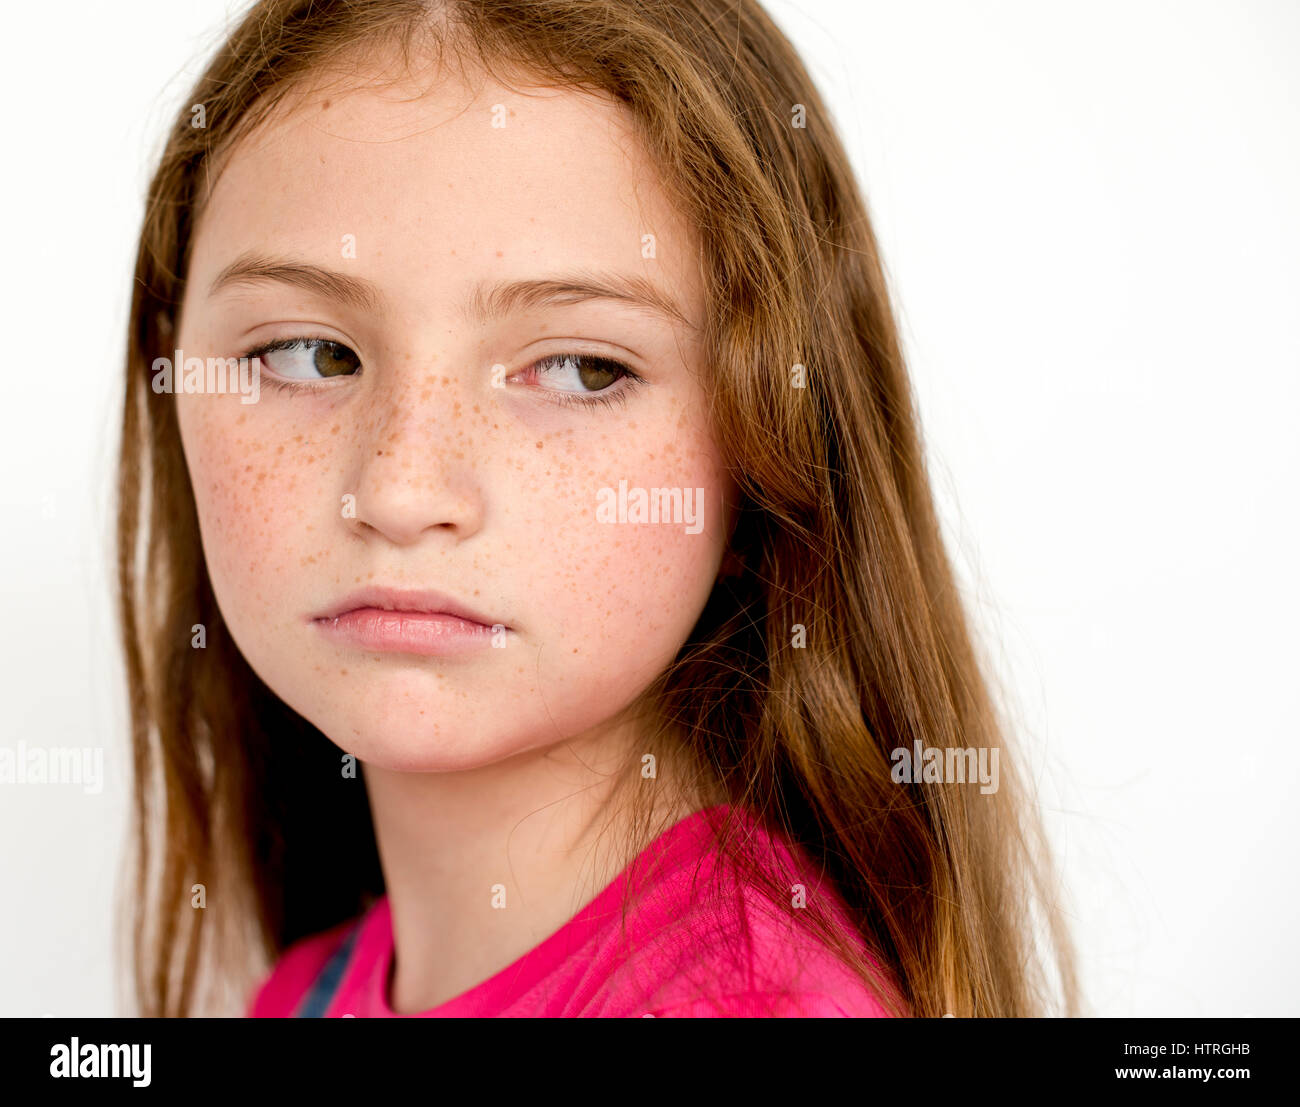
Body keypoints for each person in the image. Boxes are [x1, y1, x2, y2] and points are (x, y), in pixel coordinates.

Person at [116, 0, 1078, 1018]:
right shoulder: (308, 992)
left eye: (578, 368)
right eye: (310, 354)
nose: (400, 491)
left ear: (770, 457)